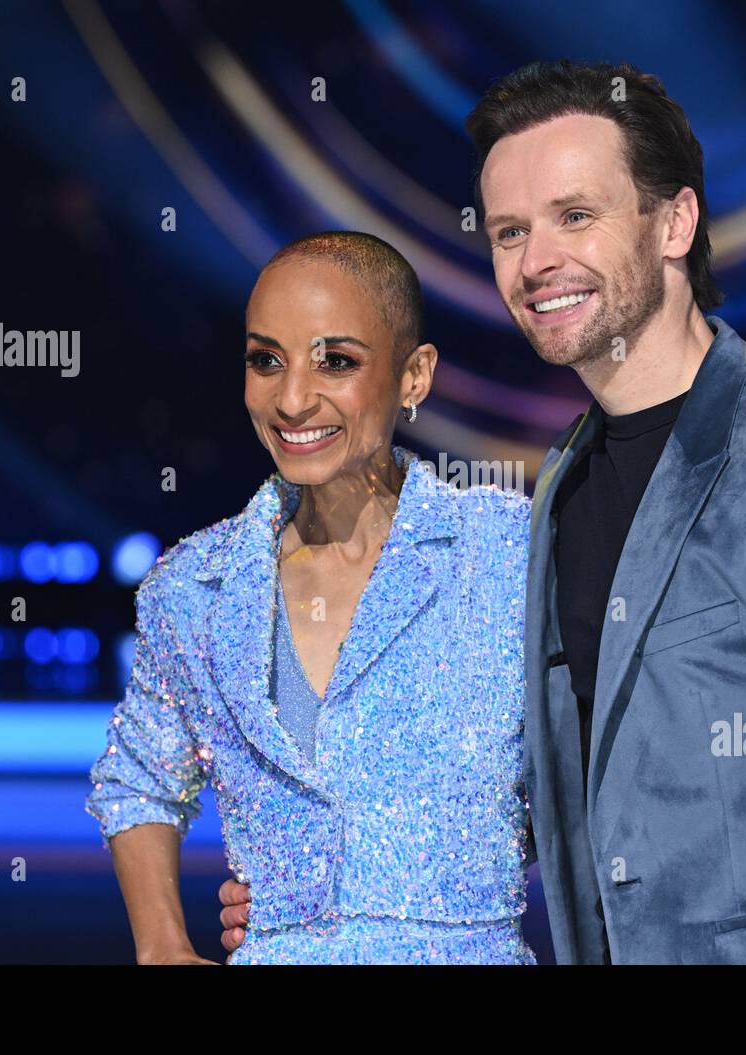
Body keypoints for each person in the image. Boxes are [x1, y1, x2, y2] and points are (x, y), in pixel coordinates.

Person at [225, 60, 746, 965]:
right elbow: (570, 796)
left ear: (675, 223)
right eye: (509, 231)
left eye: (576, 216)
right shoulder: (563, 485)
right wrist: (320, 886)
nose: (536, 262)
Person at [86, 231, 536, 965]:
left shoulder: (505, 552)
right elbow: (138, 777)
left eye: (336, 361)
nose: (292, 399)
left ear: (414, 375)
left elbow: (593, 781)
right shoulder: (195, 588)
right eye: (267, 360)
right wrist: (163, 944)